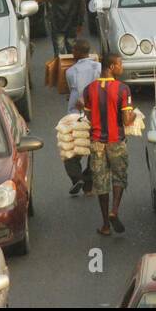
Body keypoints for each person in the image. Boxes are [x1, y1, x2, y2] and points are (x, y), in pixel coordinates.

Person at [80, 53, 136, 236]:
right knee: (119, 177)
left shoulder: (89, 89)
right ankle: (115, 211)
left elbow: (88, 117)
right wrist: (135, 115)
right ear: (111, 67)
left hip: (96, 143)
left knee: (101, 182)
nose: (122, 67)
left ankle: (105, 224)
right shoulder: (122, 89)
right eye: (120, 64)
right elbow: (127, 121)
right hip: (116, 142)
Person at [63, 38, 100, 195]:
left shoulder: (70, 71)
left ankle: (77, 177)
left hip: (76, 114)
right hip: (95, 113)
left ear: (78, 52)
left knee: (71, 151)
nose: (72, 53)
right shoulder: (98, 66)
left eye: (73, 50)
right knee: (95, 151)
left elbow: (72, 90)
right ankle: (88, 184)